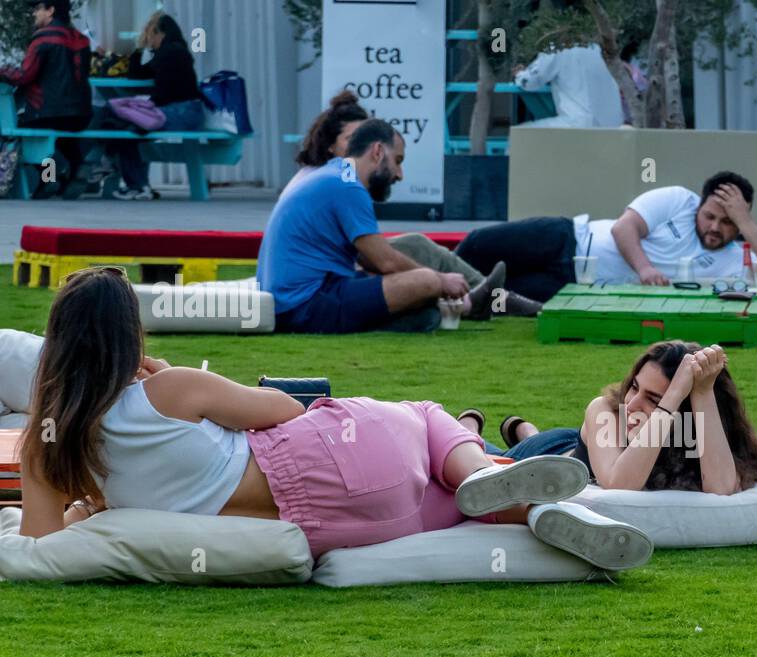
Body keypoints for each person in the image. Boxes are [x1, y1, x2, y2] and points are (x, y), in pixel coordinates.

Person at [17, 268, 653, 573]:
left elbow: (43, 550)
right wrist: (175, 381)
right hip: (326, 459)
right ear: (128, 338)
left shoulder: (47, 451)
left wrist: (89, 509)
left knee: (447, 503)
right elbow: (284, 409)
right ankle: (482, 469)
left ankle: (518, 501)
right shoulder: (169, 390)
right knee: (425, 416)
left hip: (329, 526)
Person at [286, 96, 540, 318]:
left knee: (418, 259)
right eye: (353, 139)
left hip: (314, 287)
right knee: (420, 267)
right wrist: (437, 281)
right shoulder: (341, 182)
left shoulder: (330, 177)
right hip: (317, 291)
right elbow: (378, 260)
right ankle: (482, 301)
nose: (357, 145)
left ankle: (482, 300)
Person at [461, 340, 757, 495]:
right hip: (548, 456)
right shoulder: (605, 410)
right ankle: (471, 425)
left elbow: (721, 487)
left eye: (652, 397)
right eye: (634, 388)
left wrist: (700, 392)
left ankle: (521, 428)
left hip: (581, 444)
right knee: (473, 453)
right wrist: (668, 400)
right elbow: (619, 484)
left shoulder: (691, 422)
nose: (634, 403)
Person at [259, 119, 477, 334]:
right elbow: (386, 262)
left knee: (412, 278)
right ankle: (482, 300)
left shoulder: (336, 173)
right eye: (398, 161)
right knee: (426, 281)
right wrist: (441, 280)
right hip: (305, 305)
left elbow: (368, 259)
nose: (400, 174)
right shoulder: (348, 186)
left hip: (292, 302)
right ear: (378, 151)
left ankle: (467, 303)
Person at [455, 173, 757, 303]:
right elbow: (623, 228)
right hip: (567, 238)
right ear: (699, 204)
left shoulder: (733, 257)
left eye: (727, 223)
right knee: (477, 246)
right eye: (710, 216)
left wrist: (745, 221)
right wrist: (645, 270)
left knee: (500, 295)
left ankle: (441, 304)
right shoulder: (679, 199)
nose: (714, 227)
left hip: (576, 284)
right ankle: (433, 278)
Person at [105, 11, 207, 200]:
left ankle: (136, 185)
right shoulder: (172, 51)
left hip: (182, 111)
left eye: (149, 34)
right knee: (130, 128)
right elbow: (139, 75)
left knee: (128, 132)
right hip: (187, 110)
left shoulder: (171, 53)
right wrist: (140, 49)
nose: (148, 38)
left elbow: (166, 93)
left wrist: (146, 104)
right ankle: (137, 182)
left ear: (160, 33)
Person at [0, 0, 92, 198]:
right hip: (81, 113)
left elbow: (24, 75)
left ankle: (50, 178)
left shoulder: (43, 39)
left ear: (50, 10)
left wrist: (3, 71)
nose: (34, 14)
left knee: (28, 138)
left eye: (38, 9)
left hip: (47, 111)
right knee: (62, 138)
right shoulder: (81, 39)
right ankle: (77, 166)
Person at [512, 43, 622, 129]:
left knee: (518, 137)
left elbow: (531, 81)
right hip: (613, 126)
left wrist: (519, 74)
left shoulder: (559, 47)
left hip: (578, 125)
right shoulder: (601, 48)